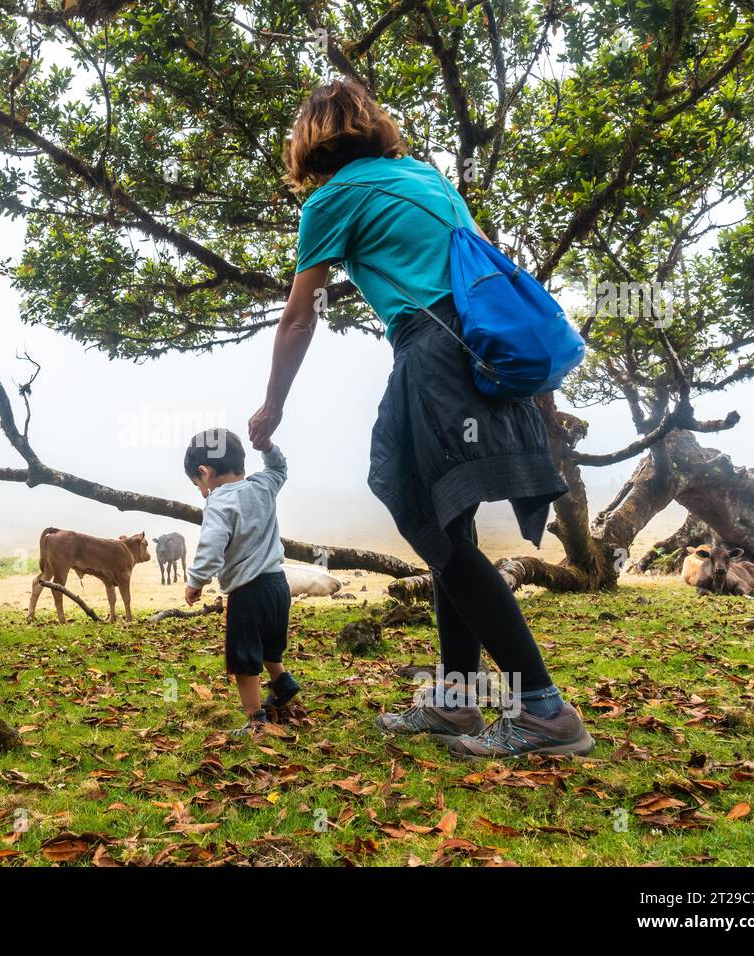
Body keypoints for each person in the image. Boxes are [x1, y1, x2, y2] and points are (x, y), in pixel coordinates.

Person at [247, 78, 593, 758]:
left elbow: (297, 318)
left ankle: (545, 712)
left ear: (310, 139)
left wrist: (273, 406)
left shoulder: (331, 199)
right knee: (447, 527)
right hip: (485, 350)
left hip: (435, 352)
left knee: (431, 524)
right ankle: (460, 704)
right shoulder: (425, 179)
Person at [183, 427, 300, 736]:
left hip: (247, 594)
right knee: (269, 645)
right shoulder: (263, 485)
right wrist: (267, 445)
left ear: (204, 472)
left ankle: (255, 721)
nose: (202, 492)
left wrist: (195, 581)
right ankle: (283, 683)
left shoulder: (218, 503)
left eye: (199, 485)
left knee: (245, 660)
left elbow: (211, 546)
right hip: (278, 586)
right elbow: (279, 468)